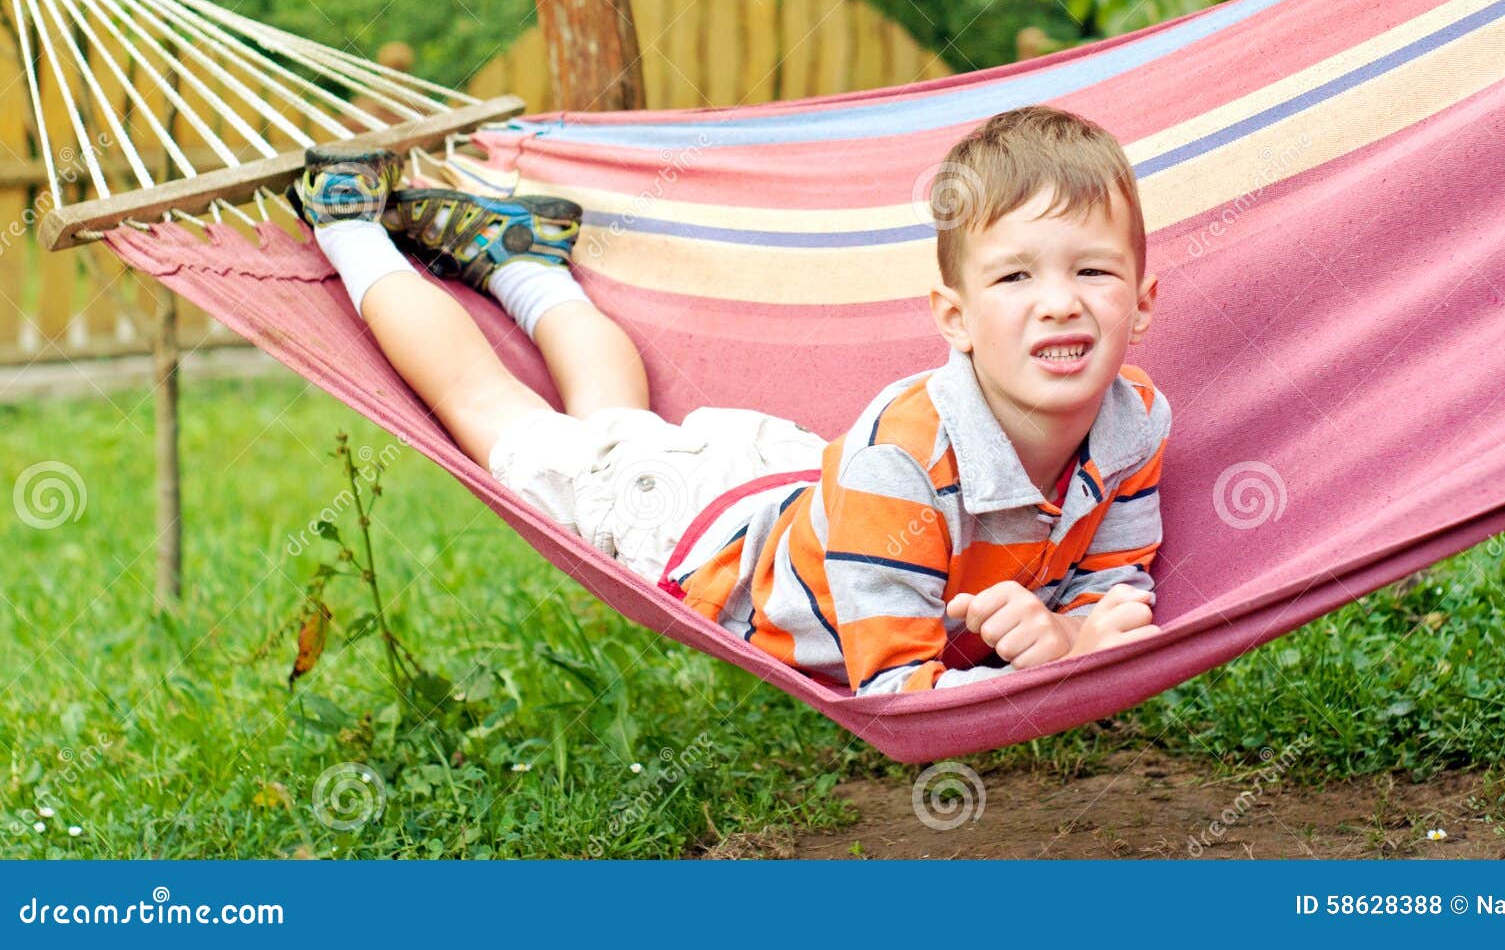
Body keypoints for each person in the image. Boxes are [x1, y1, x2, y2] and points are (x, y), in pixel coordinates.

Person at [293, 104, 1168, 696]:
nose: (1061, 301)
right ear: (955, 318)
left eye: (1092, 270)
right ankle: (348, 225)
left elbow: (1111, 583)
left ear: (1141, 300)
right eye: (1016, 276)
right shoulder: (904, 465)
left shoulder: (1135, 422)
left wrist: (1073, 634)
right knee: (495, 410)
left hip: (798, 484)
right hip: (695, 531)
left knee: (615, 424)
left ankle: (519, 260)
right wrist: (1051, 664)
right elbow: (903, 691)